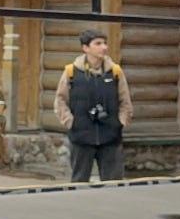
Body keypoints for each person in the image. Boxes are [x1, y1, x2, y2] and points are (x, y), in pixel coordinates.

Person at [55, 29, 132, 182]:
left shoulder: (115, 72)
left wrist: (121, 122)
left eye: (105, 43)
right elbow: (60, 100)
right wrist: (70, 122)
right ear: (85, 48)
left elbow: (125, 101)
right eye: (98, 43)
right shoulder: (71, 71)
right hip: (81, 136)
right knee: (79, 183)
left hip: (110, 136)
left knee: (113, 183)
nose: (104, 47)